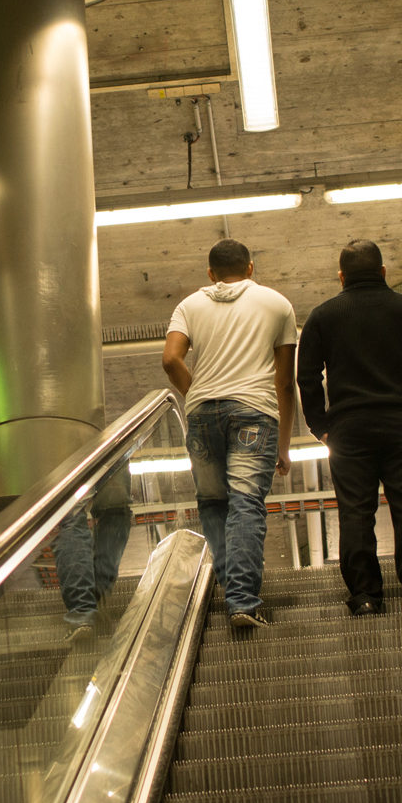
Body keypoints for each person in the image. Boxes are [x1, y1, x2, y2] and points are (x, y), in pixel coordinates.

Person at [297, 238, 402, 614]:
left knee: (355, 511)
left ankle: (365, 596)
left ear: (341, 277)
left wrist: (321, 427)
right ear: (383, 272)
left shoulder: (322, 316)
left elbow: (307, 377)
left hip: (348, 428)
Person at [163, 238, 296, 637]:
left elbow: (171, 359)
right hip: (254, 412)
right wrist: (284, 445)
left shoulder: (188, 305)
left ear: (210, 274)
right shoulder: (277, 304)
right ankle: (241, 599)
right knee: (246, 504)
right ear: (251, 268)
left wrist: (197, 394)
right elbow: (285, 382)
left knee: (214, 503)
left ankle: (231, 589)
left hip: (203, 413)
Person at [54, 458, 135, 633]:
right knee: (115, 511)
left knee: (71, 517)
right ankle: (96, 597)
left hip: (60, 440)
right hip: (112, 436)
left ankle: (82, 611)